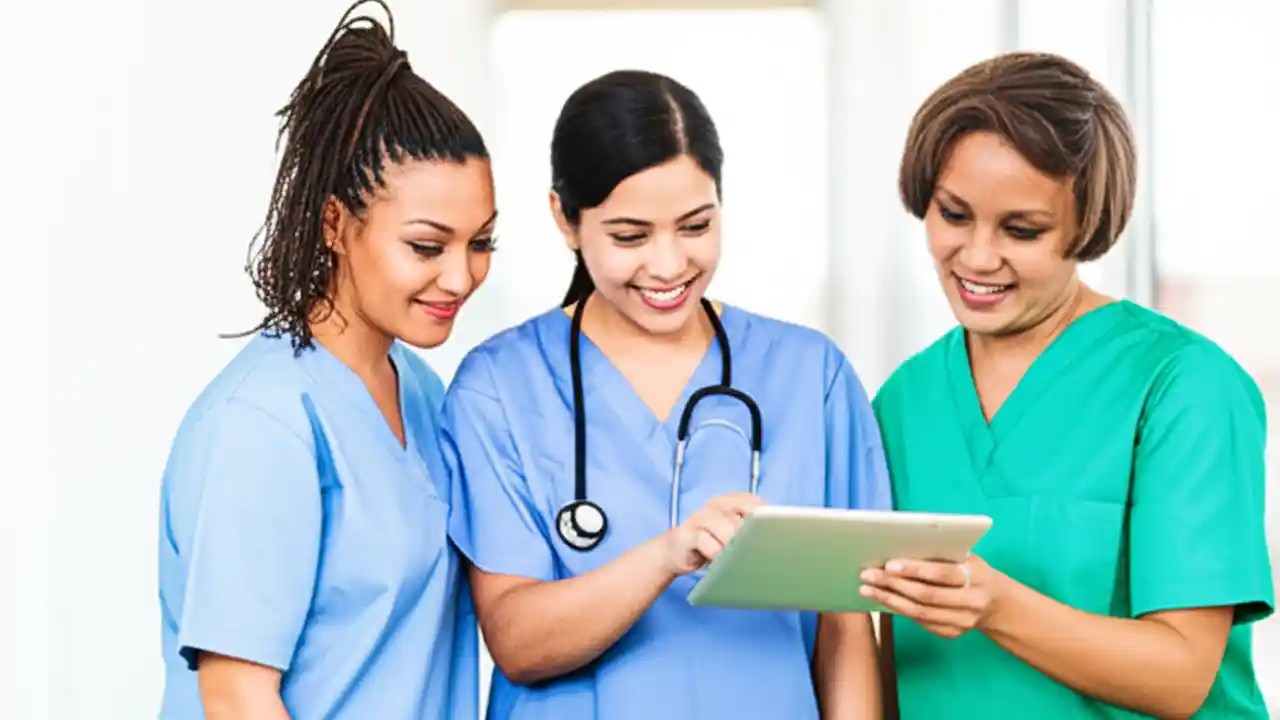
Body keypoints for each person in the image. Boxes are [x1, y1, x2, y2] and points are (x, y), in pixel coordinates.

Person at [440, 69, 891, 719]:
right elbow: (517, 640)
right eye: (630, 236)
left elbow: (845, 634)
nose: (669, 264)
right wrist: (665, 556)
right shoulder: (501, 388)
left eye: (695, 226)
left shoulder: (809, 376)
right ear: (565, 219)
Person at [863, 51, 1275, 719]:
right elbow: (877, 650)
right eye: (954, 214)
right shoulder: (904, 401)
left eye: (1022, 230)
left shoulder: (1184, 387)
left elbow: (1181, 676)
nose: (976, 257)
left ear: (1088, 226)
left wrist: (995, 605)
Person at [156, 2, 496, 717]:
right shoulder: (266, 422)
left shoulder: (427, 396)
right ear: (336, 224)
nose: (461, 277)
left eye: (482, 243)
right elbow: (237, 696)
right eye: (427, 246)